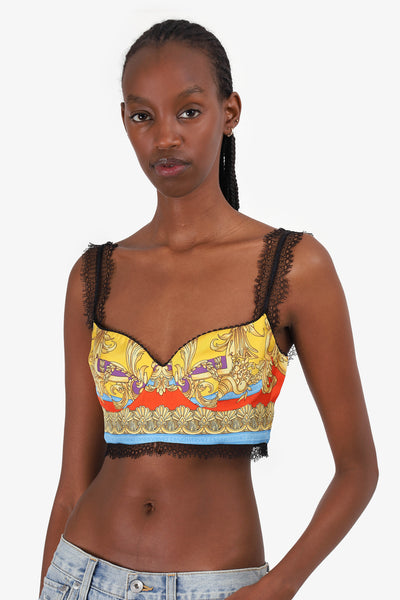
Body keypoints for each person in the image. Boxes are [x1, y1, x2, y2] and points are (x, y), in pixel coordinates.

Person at [39, 18, 378, 600]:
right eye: (143, 116)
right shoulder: (92, 276)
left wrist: (278, 587)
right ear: (124, 121)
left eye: (189, 111)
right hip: (81, 577)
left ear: (230, 112)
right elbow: (72, 483)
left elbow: (357, 468)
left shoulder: (295, 267)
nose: (165, 137)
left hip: (220, 587)